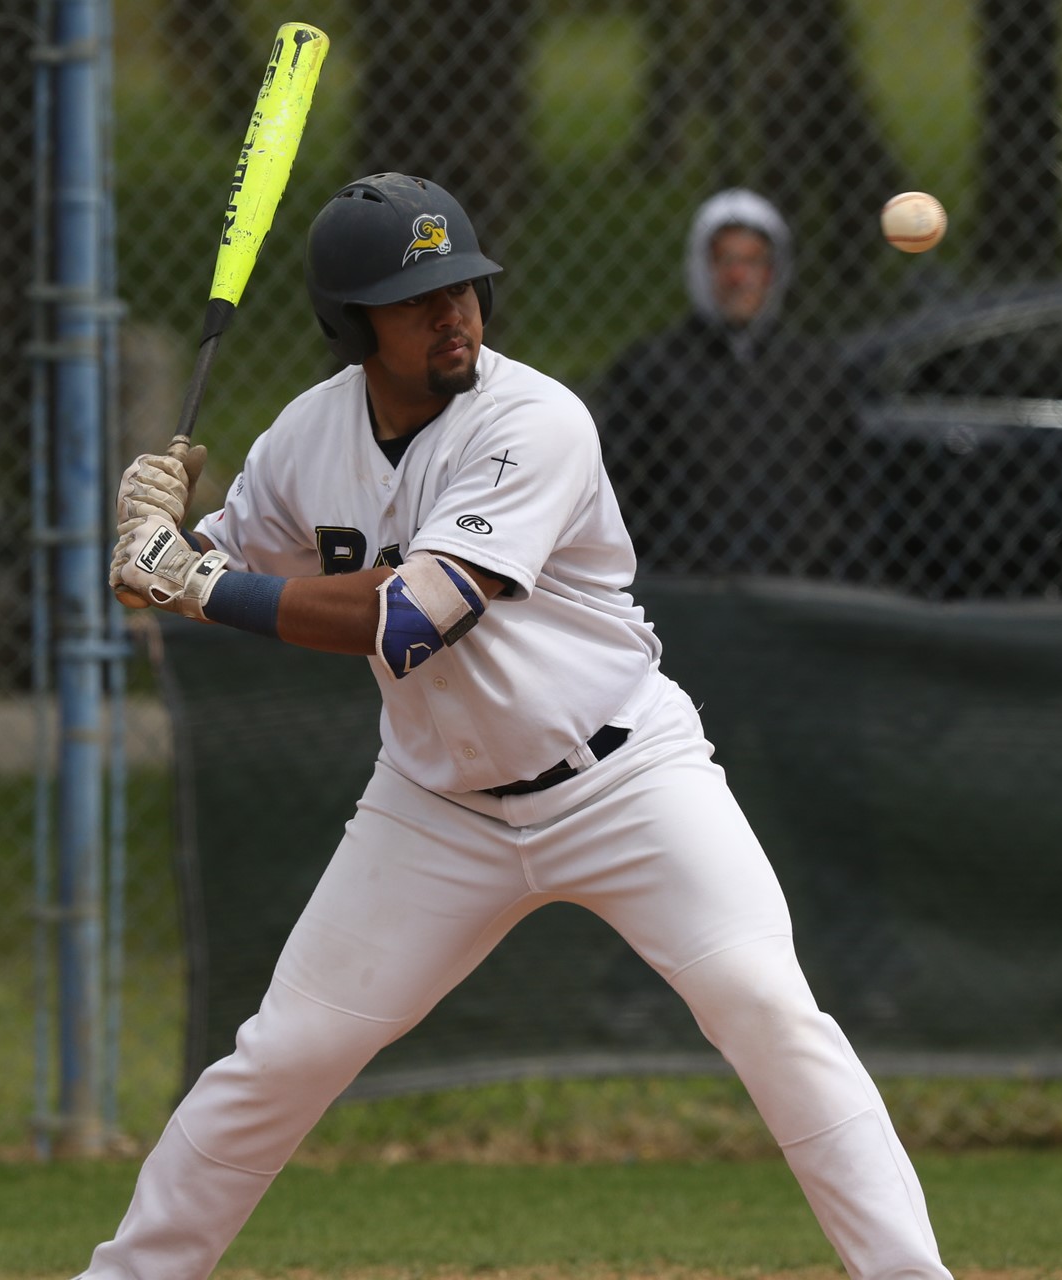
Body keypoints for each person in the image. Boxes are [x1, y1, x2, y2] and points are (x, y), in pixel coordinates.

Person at [92, 172, 952, 1280]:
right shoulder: (305, 438)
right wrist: (147, 539)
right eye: (418, 299)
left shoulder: (536, 418)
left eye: (464, 286)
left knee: (767, 1005)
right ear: (355, 325)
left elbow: (412, 618)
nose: (454, 313)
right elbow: (184, 571)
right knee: (284, 1053)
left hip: (627, 775)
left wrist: (195, 581)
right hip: (435, 807)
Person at [595, 187, 855, 574]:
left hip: (800, 585)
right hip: (686, 586)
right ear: (702, 268)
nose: (738, 277)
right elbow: (620, 489)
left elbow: (848, 481)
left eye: (753, 261)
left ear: (773, 272)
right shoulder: (650, 369)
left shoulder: (814, 369)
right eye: (725, 260)